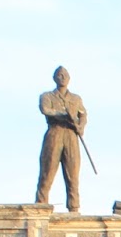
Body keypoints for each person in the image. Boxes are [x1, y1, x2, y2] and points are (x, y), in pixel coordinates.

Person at [35, 66, 87, 212]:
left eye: (65, 75)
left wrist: (81, 126)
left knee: (73, 173)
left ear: (69, 78)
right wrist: (63, 115)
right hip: (55, 133)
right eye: (59, 75)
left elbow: (83, 115)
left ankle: (74, 207)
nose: (62, 77)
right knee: (47, 171)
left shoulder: (76, 98)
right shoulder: (47, 96)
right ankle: (41, 204)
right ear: (55, 78)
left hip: (71, 135)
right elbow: (45, 110)